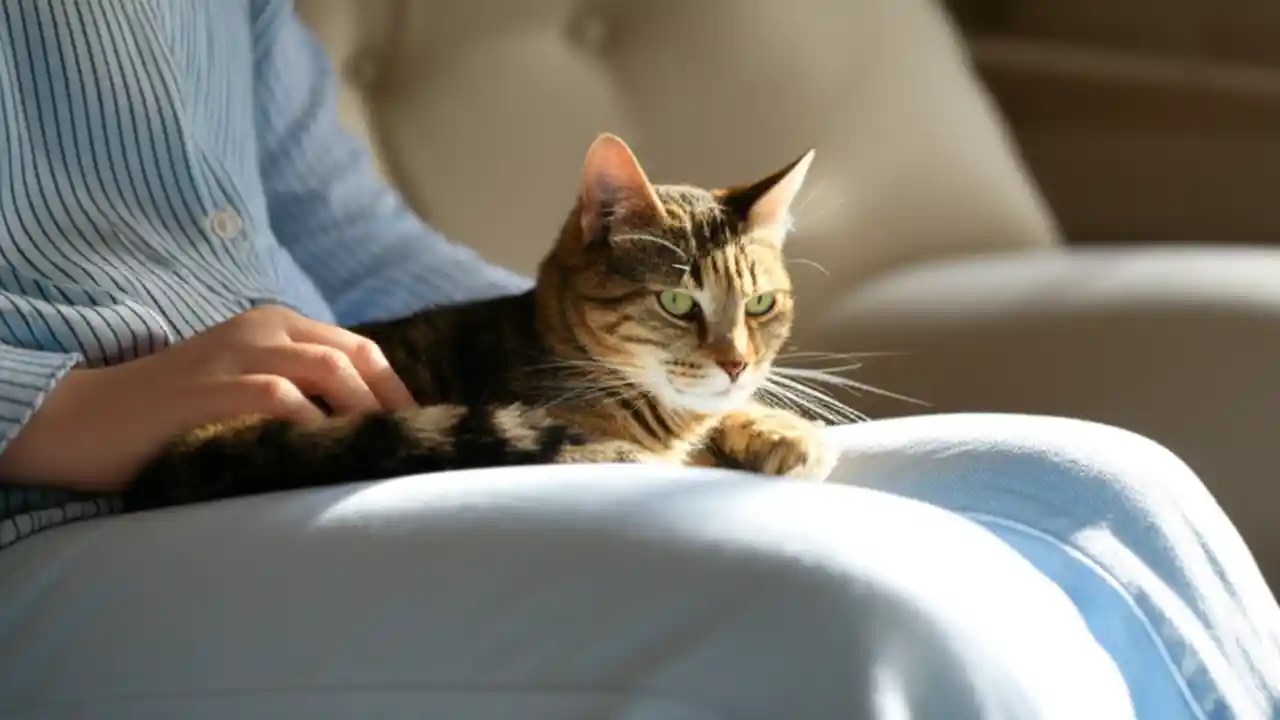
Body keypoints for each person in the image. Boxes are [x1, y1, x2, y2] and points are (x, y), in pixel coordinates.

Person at [0, 2, 1276, 718]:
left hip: (360, 422)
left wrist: (577, 336)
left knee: (1098, 487)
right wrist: (47, 405)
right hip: (70, 503)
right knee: (859, 604)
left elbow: (334, 223)